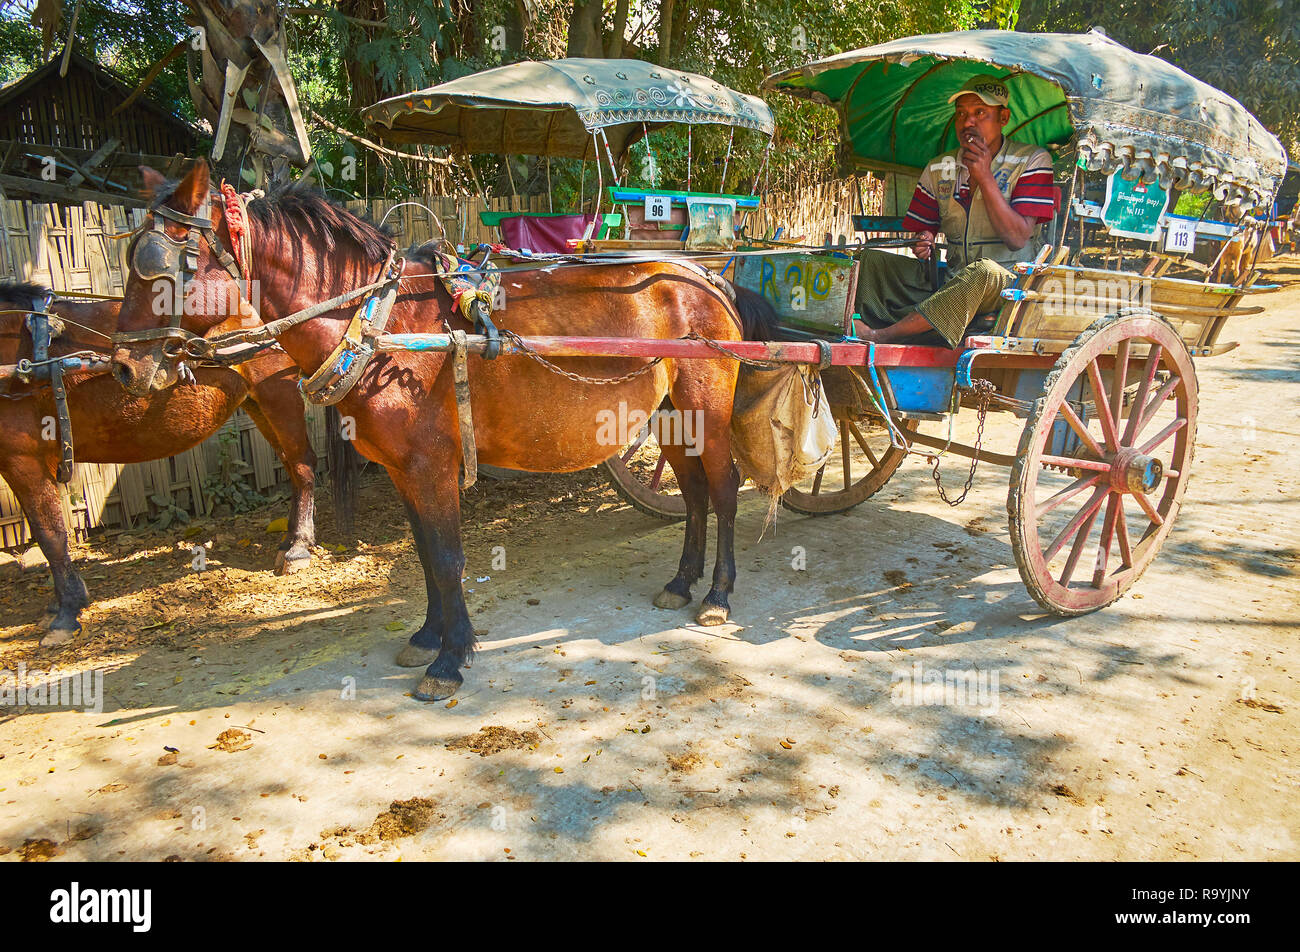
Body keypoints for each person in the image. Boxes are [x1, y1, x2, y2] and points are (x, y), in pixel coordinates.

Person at [852, 75, 1059, 347]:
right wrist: (923, 240)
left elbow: (1017, 237)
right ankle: (860, 322)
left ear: (1004, 117)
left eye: (980, 113)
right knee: (869, 261)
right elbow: (924, 226)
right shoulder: (940, 167)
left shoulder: (1031, 160)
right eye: (961, 113)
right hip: (953, 278)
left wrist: (984, 176)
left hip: (1010, 282)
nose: (968, 122)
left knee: (982, 272)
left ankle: (882, 335)